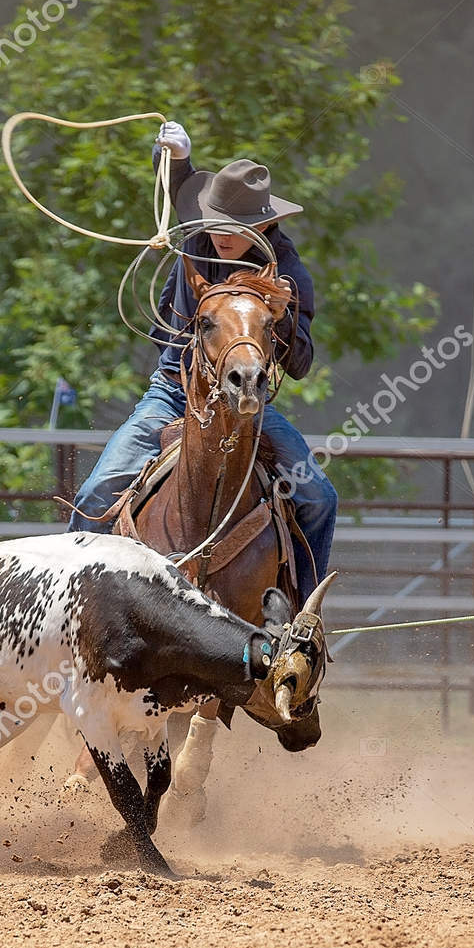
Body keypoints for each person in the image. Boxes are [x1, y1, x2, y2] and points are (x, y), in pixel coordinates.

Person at [66, 120, 336, 606]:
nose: (221, 236)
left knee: (318, 498)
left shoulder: (289, 273)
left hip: (246, 402)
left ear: (266, 225)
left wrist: (283, 319)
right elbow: (176, 189)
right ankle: (69, 609)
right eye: (215, 224)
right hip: (174, 391)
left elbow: (299, 365)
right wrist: (174, 157)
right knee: (95, 494)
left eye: (236, 229)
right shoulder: (198, 239)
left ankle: (300, 621)